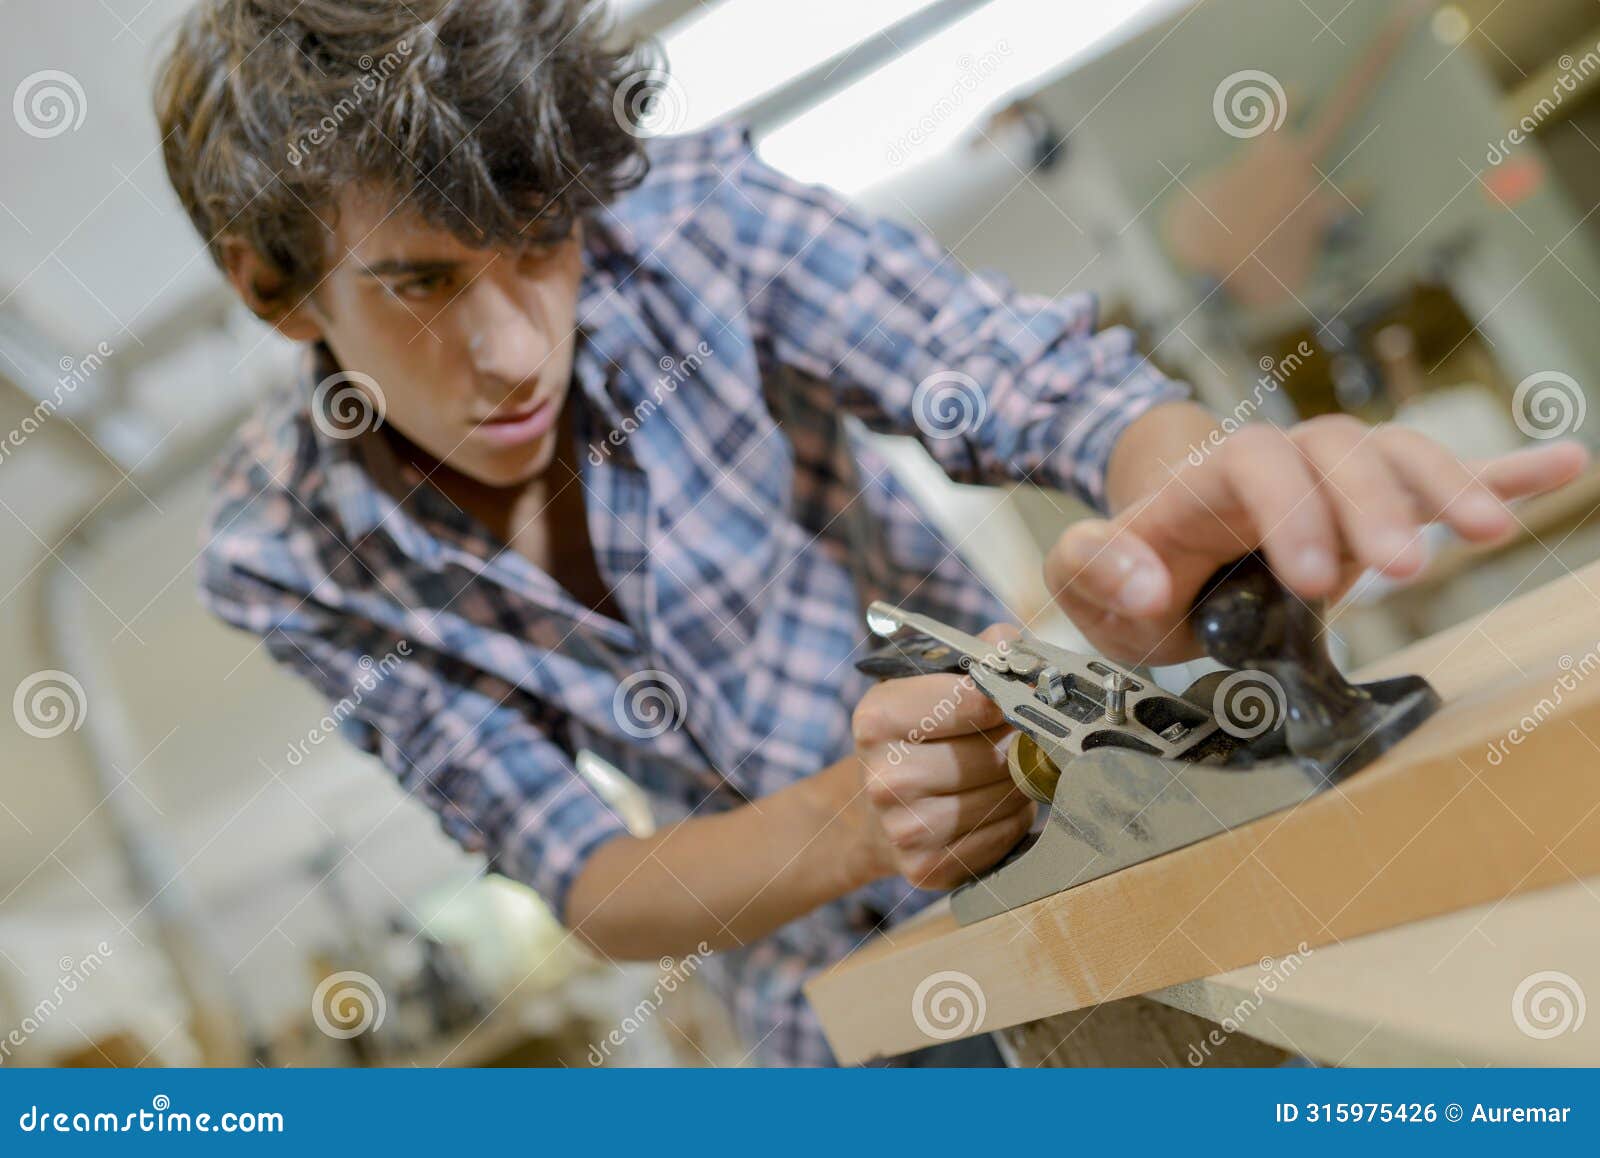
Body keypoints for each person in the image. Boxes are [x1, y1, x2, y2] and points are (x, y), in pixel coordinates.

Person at [154, 0, 1586, 1066]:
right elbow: (592, 881)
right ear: (274, 286)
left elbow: (1043, 382)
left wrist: (1187, 484)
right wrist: (863, 813)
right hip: (829, 1022)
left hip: (1071, 870)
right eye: (419, 282)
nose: (517, 348)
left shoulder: (699, 218)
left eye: (545, 246)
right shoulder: (281, 554)